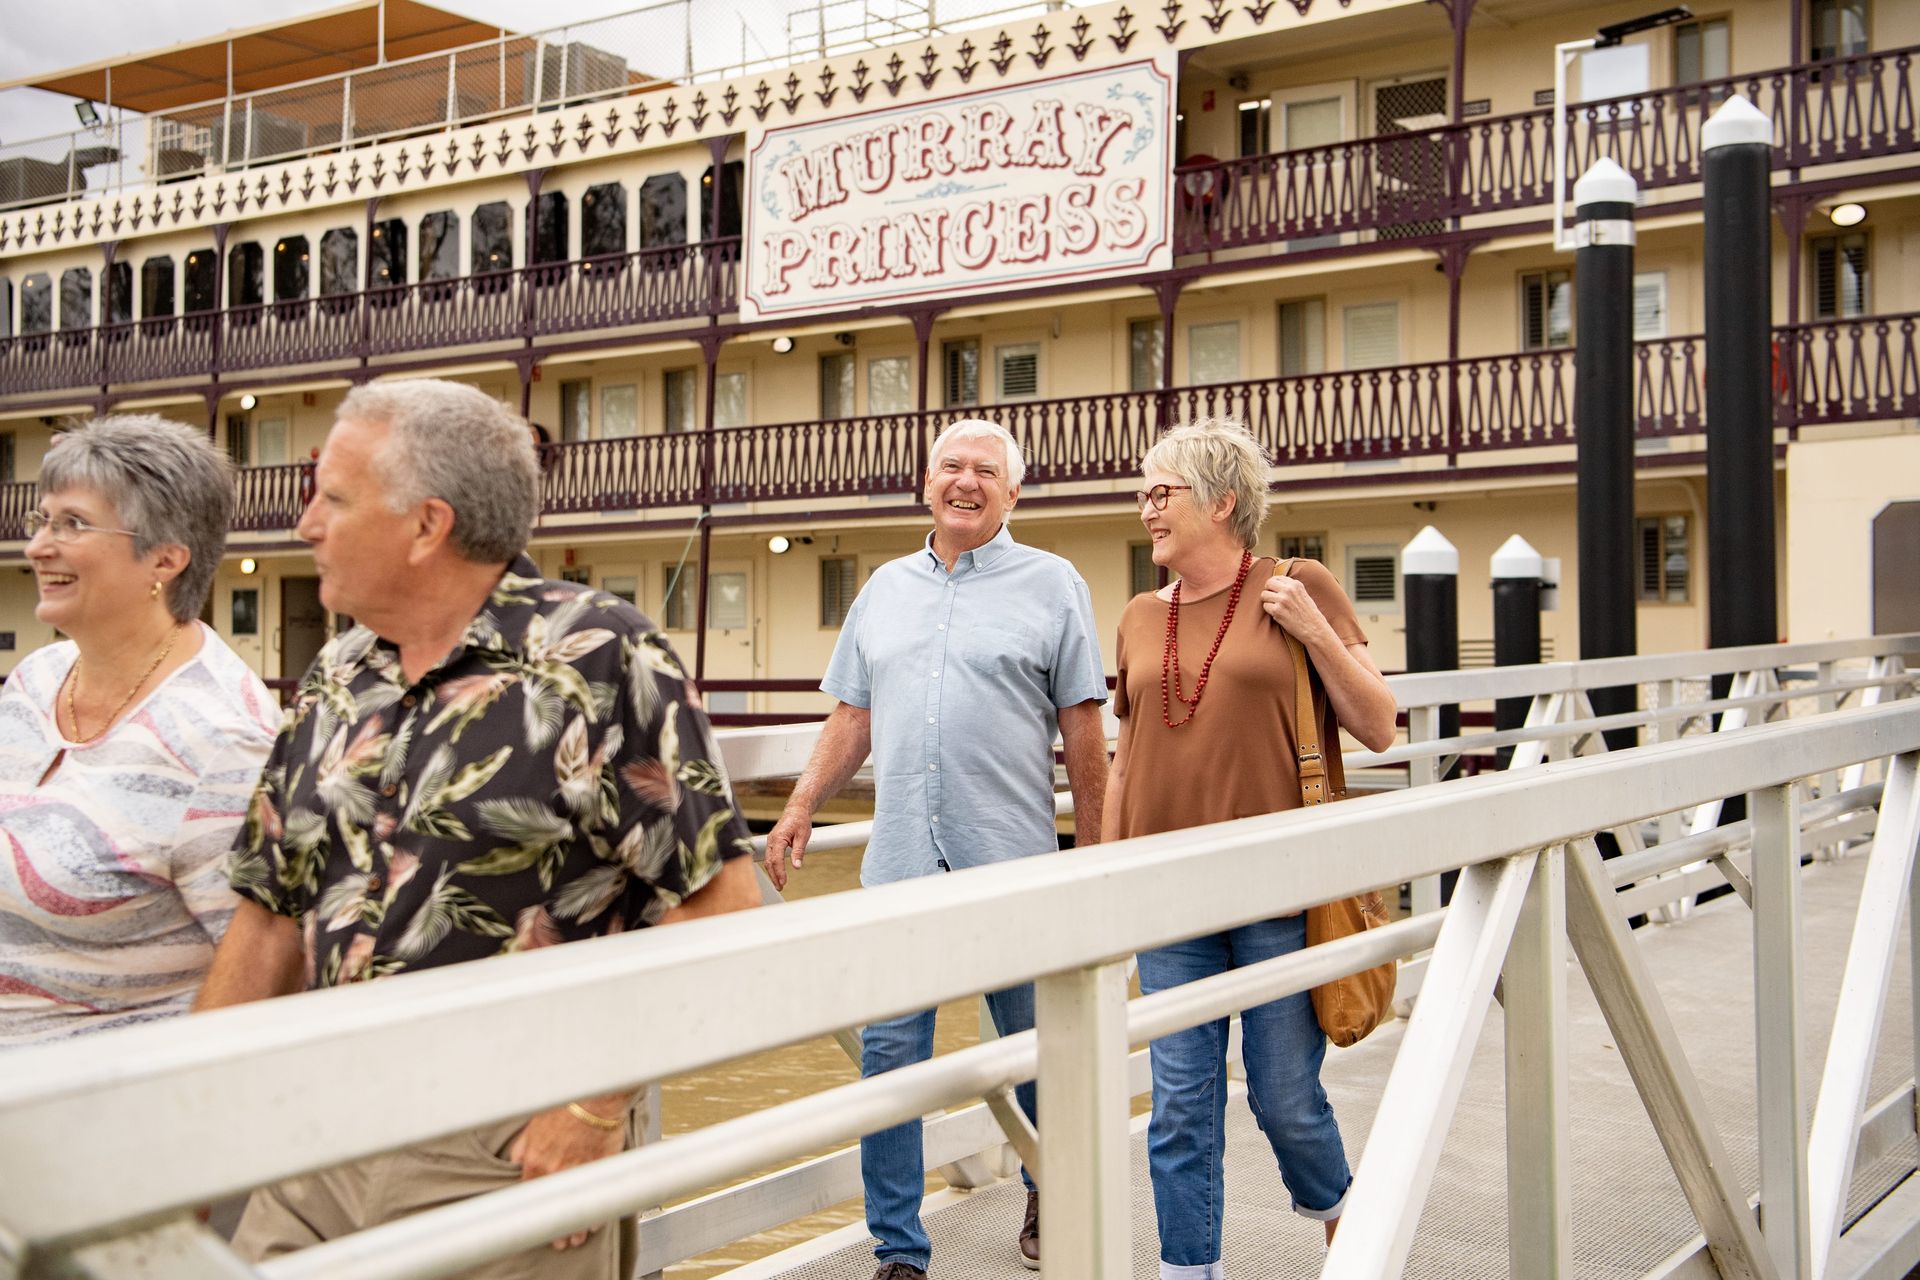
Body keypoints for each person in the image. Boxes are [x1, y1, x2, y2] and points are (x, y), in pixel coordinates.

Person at [198, 379, 761, 1279]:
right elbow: (267, 914)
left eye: (334, 499)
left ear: (428, 526)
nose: (305, 523)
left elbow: (723, 909)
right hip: (314, 1133)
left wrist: (589, 1108)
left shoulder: (598, 656)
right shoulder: (340, 673)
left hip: (500, 1142)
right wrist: (183, 1137)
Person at [763, 418, 1109, 1280]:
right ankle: (898, 1249)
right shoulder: (883, 588)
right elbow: (853, 717)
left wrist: (1100, 859)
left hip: (1013, 865)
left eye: (985, 471)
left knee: (1038, 1049)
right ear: (926, 482)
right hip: (900, 869)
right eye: (951, 466)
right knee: (889, 1065)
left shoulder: (1054, 584)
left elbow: (1084, 733)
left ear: (1013, 492)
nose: (966, 481)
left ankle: (1051, 1193)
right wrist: (803, 802)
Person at [1102, 418, 1396, 1278]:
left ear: (1223, 500)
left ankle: (1347, 1216)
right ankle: (1189, 1272)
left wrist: (1311, 631)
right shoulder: (1135, 615)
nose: (1147, 508)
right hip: (1168, 900)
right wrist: (1106, 877)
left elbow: (1378, 725)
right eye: (1144, 492)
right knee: (1181, 1111)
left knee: (1284, 1098)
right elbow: (1127, 762)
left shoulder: (1295, 586)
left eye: (1163, 491)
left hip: (1281, 895)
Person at [0, 415, 277, 1050]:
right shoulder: (34, 681)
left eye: (72, 523)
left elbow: (260, 974)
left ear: (165, 559)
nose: (40, 546)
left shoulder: (224, 740)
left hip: (107, 1108)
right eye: (42, 521)